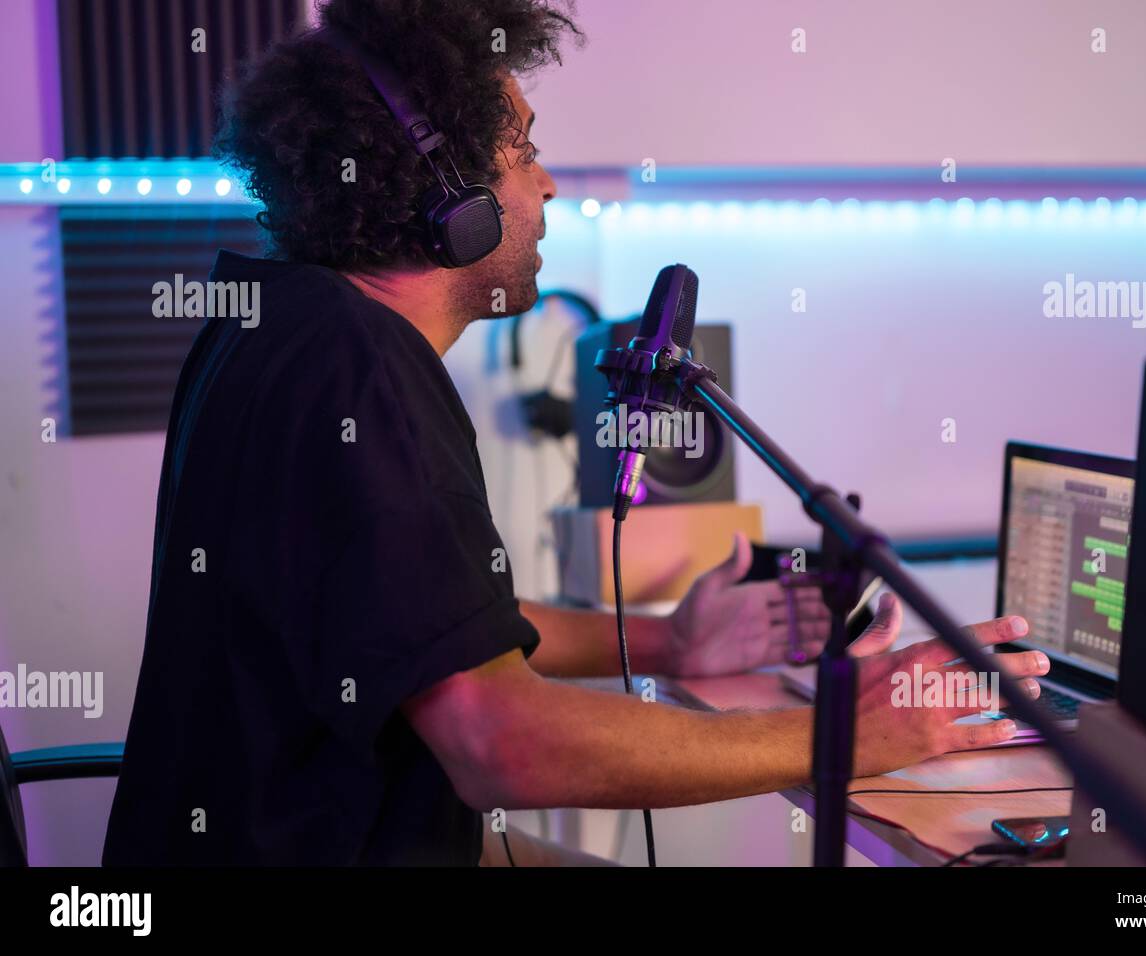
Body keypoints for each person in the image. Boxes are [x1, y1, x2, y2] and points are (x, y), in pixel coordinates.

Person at [103, 0, 1048, 866]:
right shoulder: (362, 374)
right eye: (523, 149)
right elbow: (498, 742)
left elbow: (429, 631)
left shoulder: (275, 327)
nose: (548, 184)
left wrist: (669, 644)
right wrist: (845, 733)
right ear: (448, 194)